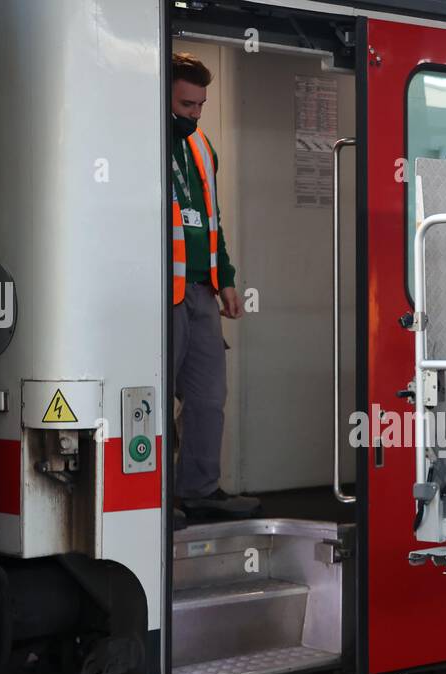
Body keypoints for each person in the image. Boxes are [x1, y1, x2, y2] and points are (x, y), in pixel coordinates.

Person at [169, 52, 259, 521]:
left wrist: (225, 279)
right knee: (156, 397)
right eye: (186, 105)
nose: (195, 114)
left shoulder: (201, 147)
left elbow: (212, 221)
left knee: (208, 397)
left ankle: (201, 490)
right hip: (158, 294)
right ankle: (157, 498)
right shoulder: (136, 140)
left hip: (200, 290)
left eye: (201, 104)